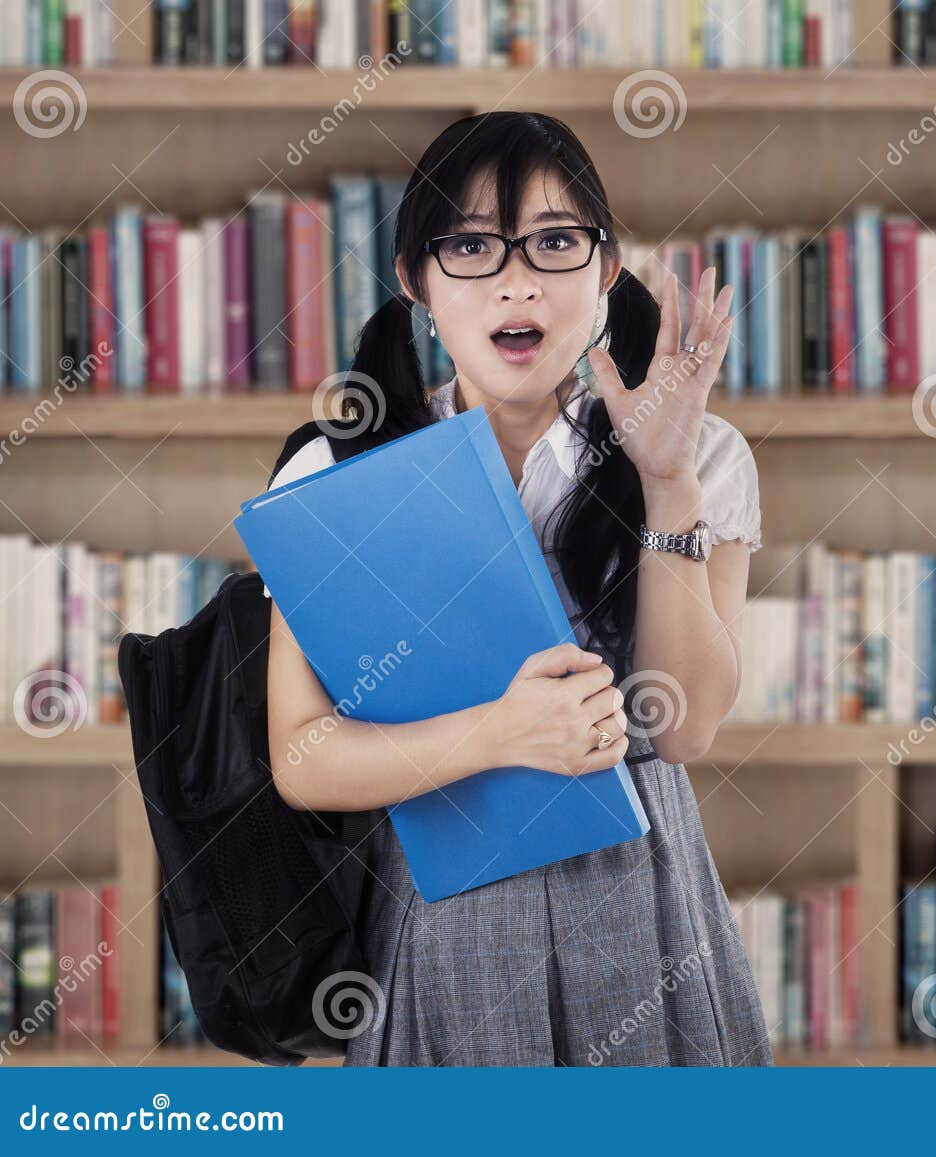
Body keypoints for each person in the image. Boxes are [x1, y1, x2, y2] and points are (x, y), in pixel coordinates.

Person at [257, 110, 772, 1067]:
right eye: (469, 246)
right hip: (445, 912)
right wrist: (502, 733)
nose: (516, 278)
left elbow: (688, 724)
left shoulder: (701, 454)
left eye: (554, 241)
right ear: (415, 278)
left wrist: (665, 484)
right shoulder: (340, 469)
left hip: (644, 904)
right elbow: (304, 755)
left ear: (607, 267)